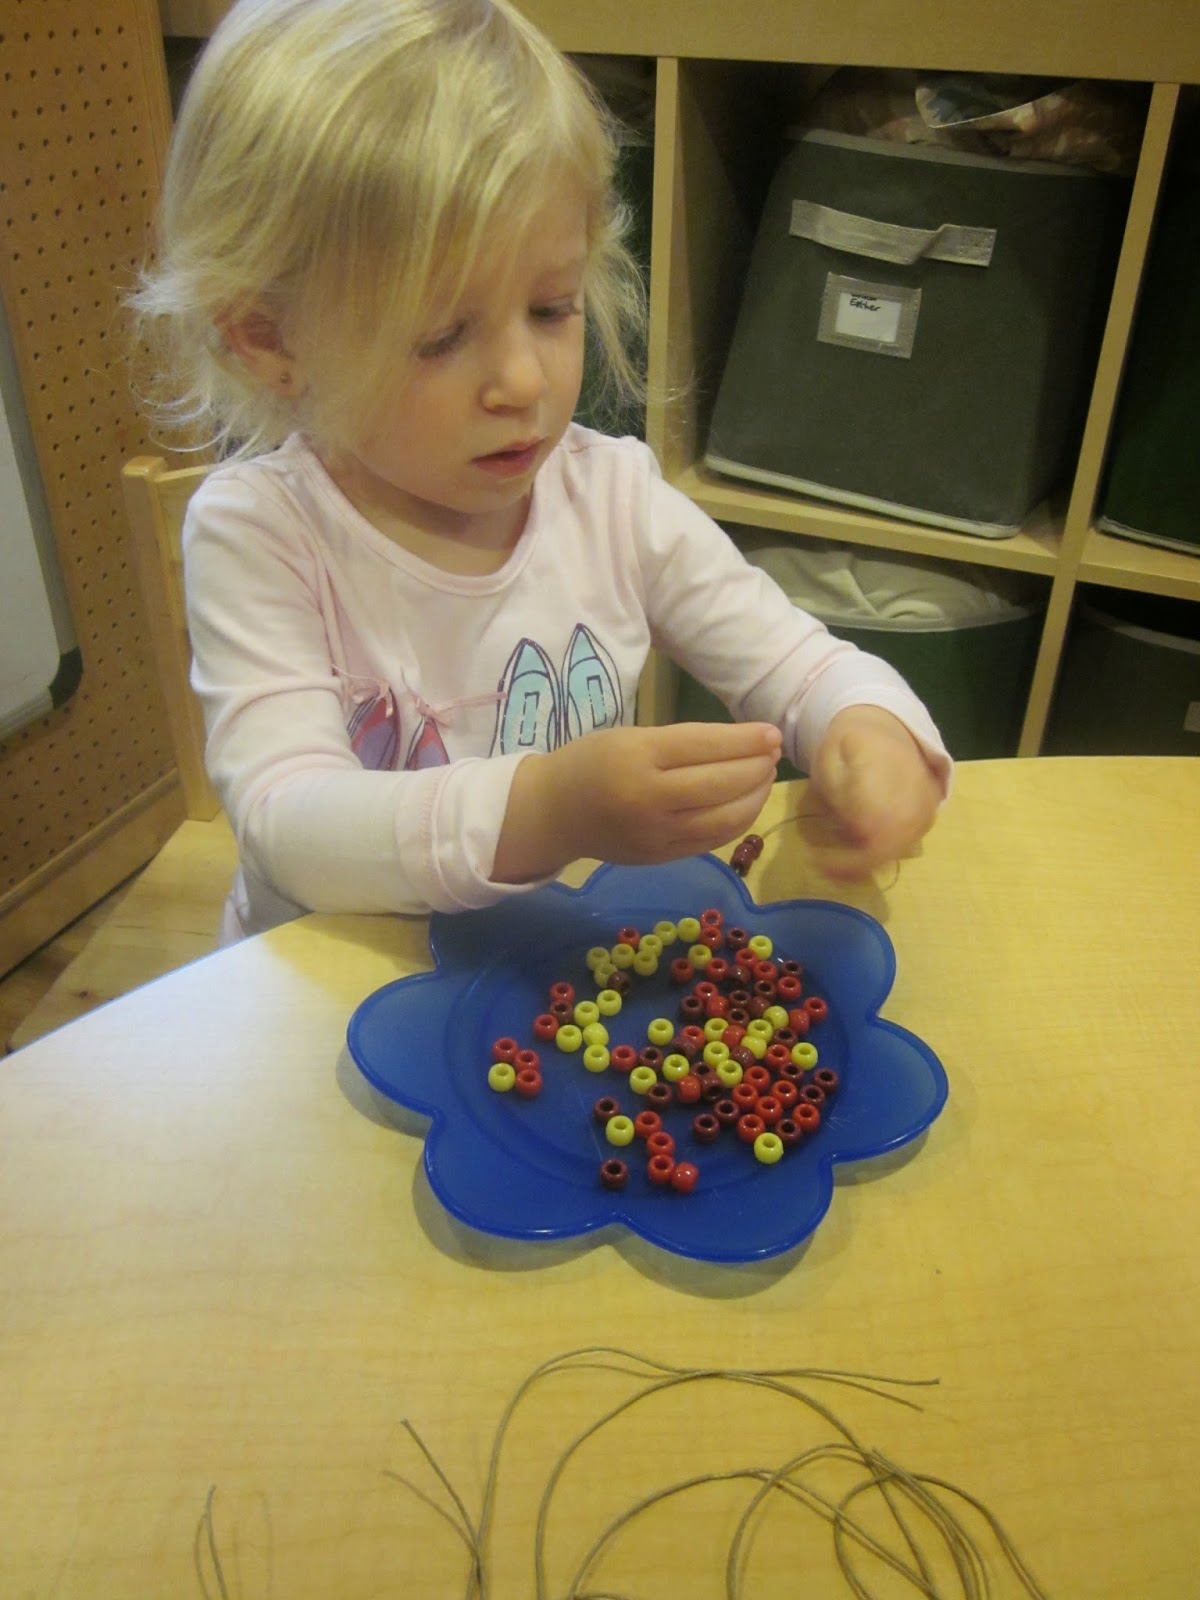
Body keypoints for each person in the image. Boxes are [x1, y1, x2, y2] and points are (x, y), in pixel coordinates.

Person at [131, 0, 951, 942]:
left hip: (551, 989)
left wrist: (870, 729)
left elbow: (801, 665)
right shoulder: (260, 532)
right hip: (331, 990)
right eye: (441, 337)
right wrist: (544, 809)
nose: (522, 381)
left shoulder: (613, 499)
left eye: (553, 309)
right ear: (269, 340)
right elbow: (288, 823)